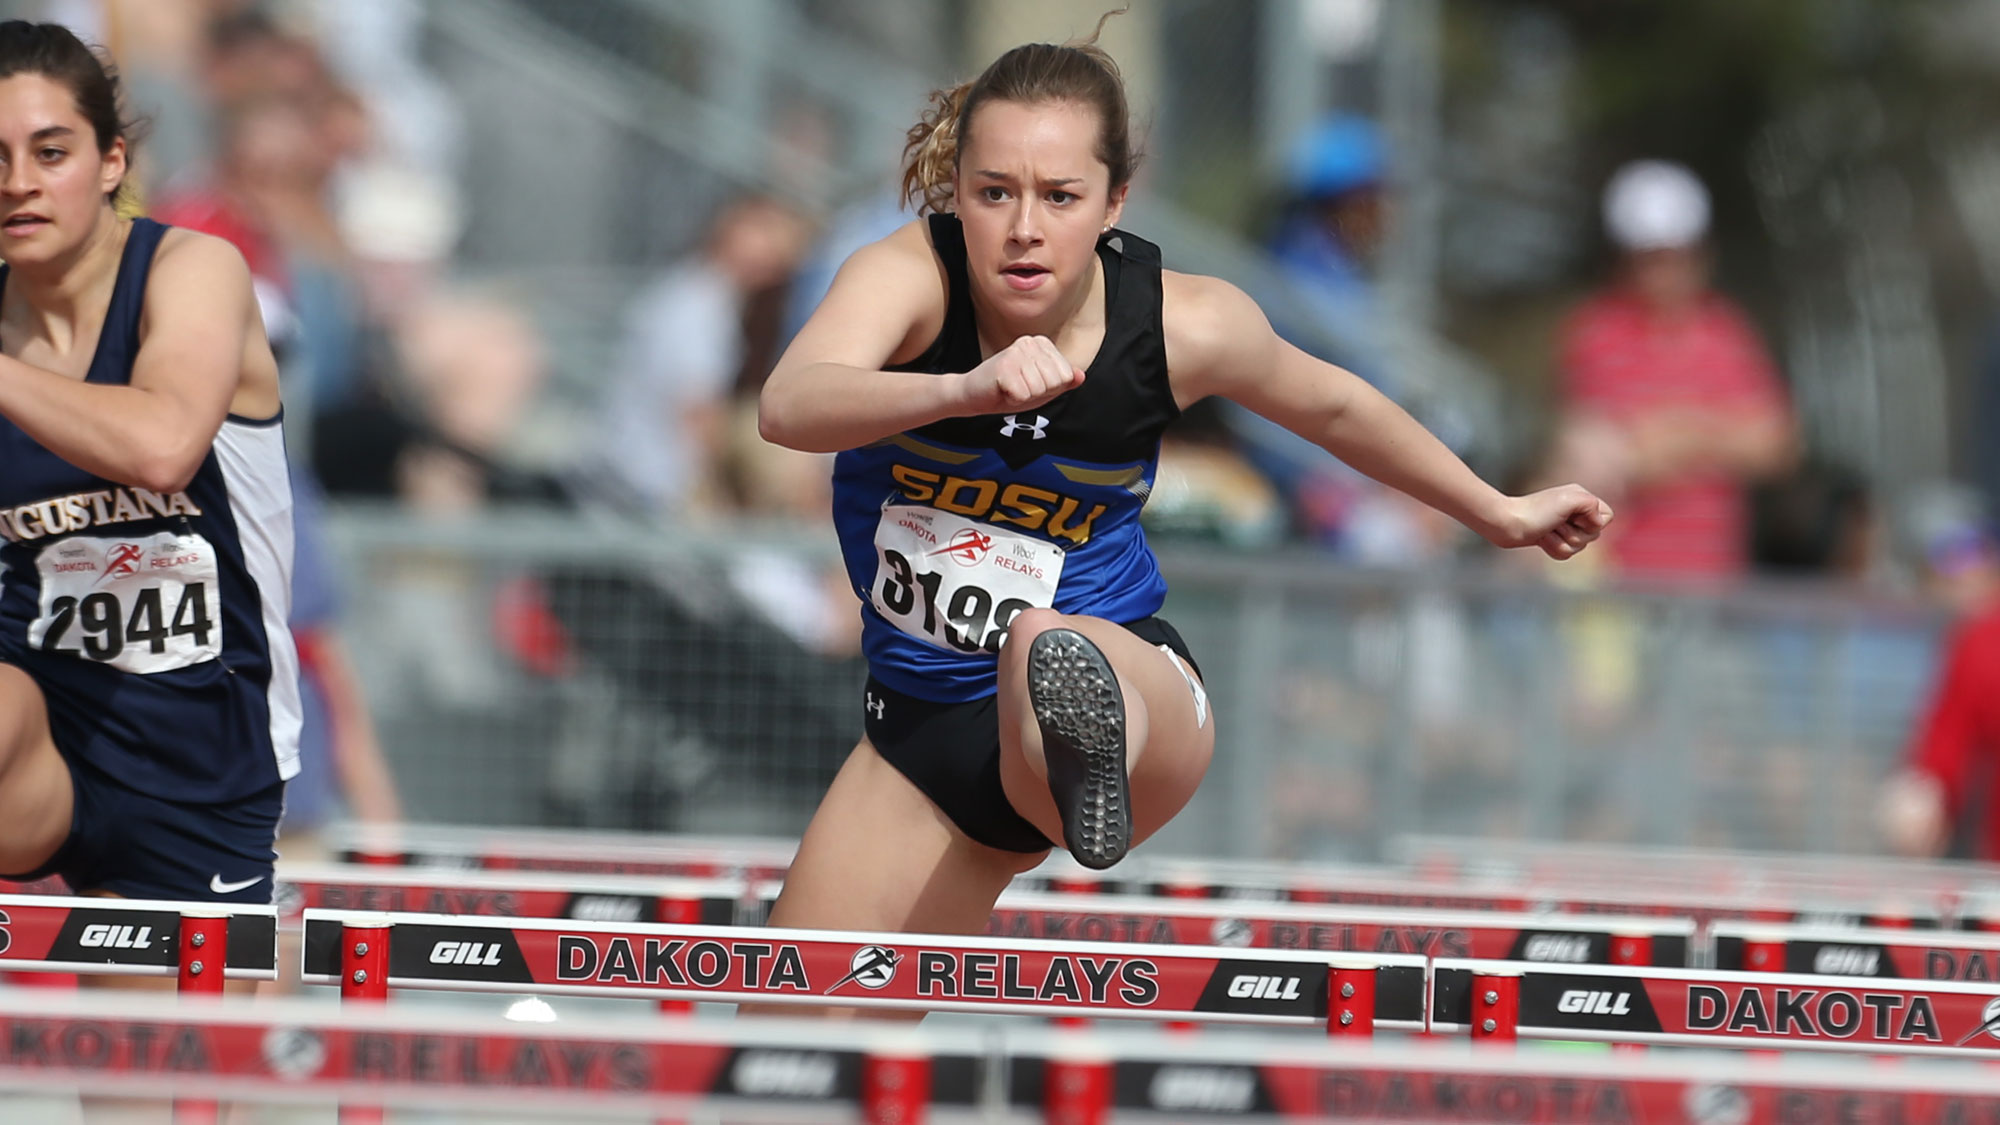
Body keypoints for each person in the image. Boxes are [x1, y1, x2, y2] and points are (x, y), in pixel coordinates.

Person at [754, 24, 1610, 948]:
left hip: (1136, 691)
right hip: (923, 732)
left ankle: (1079, 743)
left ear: (1116, 200)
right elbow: (791, 402)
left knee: (1046, 643)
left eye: (1061, 196)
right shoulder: (909, 277)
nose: (1024, 228)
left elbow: (1333, 408)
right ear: (956, 192)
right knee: (788, 1046)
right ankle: (1034, 745)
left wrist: (1498, 510)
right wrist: (962, 388)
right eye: (993, 194)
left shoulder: (1184, 323)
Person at [0, 20, 298, 907]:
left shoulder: (193, 270)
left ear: (110, 163)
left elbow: (164, 447)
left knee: (169, 1047)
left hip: (201, 750)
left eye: (50, 152)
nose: (18, 182)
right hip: (37, 742)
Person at [1548, 159, 1795, 581]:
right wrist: (1717, 436)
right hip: (1617, 580)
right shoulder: (1595, 333)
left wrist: (1680, 432)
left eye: (1676, 255)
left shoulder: (1726, 331)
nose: (1664, 271)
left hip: (1712, 582)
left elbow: (1776, 444)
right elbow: (1601, 458)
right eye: (1651, 257)